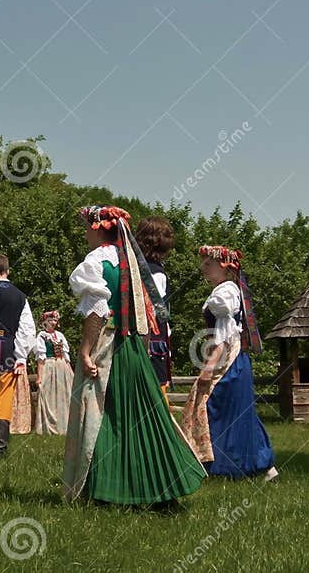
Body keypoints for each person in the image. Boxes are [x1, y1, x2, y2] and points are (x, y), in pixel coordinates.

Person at [63, 206, 205, 506]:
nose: (85, 233)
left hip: (107, 345)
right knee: (141, 415)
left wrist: (86, 350)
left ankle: (104, 491)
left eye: (87, 227)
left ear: (99, 228)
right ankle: (157, 490)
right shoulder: (132, 261)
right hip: (134, 347)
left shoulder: (97, 260)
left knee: (101, 417)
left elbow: (97, 310)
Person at [181, 246, 279, 481]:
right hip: (238, 360)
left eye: (208, 264)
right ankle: (260, 466)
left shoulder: (223, 294)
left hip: (228, 361)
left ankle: (216, 465)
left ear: (225, 268)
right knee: (238, 411)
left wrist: (207, 369)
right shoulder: (230, 290)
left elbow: (224, 338)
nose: (203, 268)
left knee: (207, 406)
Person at [0, 254, 37, 456]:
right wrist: (21, 356)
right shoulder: (20, 296)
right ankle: (0, 447)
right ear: (7, 270)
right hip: (7, 349)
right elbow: (27, 330)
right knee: (4, 397)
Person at [135, 216, 176, 409]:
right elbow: (157, 312)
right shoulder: (155, 273)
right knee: (155, 395)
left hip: (142, 337)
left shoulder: (138, 269)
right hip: (152, 341)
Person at [34, 310, 72, 435]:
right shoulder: (42, 336)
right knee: (49, 393)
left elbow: (66, 356)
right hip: (49, 366)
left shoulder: (60, 335)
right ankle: (48, 426)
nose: (53, 323)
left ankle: (64, 424)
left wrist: (71, 371)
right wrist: (39, 376)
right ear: (45, 322)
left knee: (64, 394)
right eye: (50, 321)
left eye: (55, 320)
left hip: (61, 366)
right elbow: (41, 357)